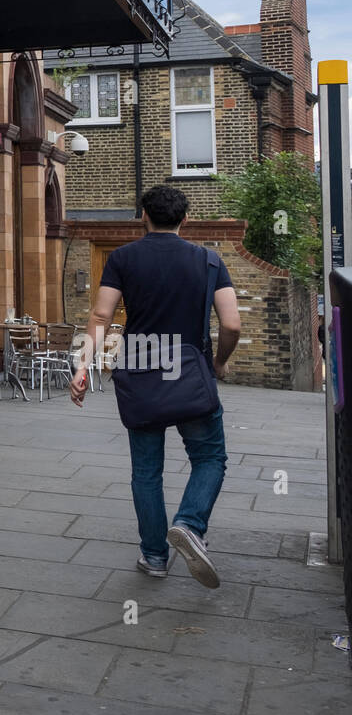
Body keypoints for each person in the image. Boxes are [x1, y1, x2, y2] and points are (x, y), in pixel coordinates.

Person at [69, 184, 241, 589]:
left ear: (143, 216)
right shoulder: (209, 261)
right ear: (185, 219)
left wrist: (83, 365)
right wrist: (218, 361)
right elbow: (232, 324)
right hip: (189, 373)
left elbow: (101, 315)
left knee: (147, 471)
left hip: (141, 370)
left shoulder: (123, 259)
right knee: (210, 458)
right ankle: (189, 524)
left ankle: (154, 556)